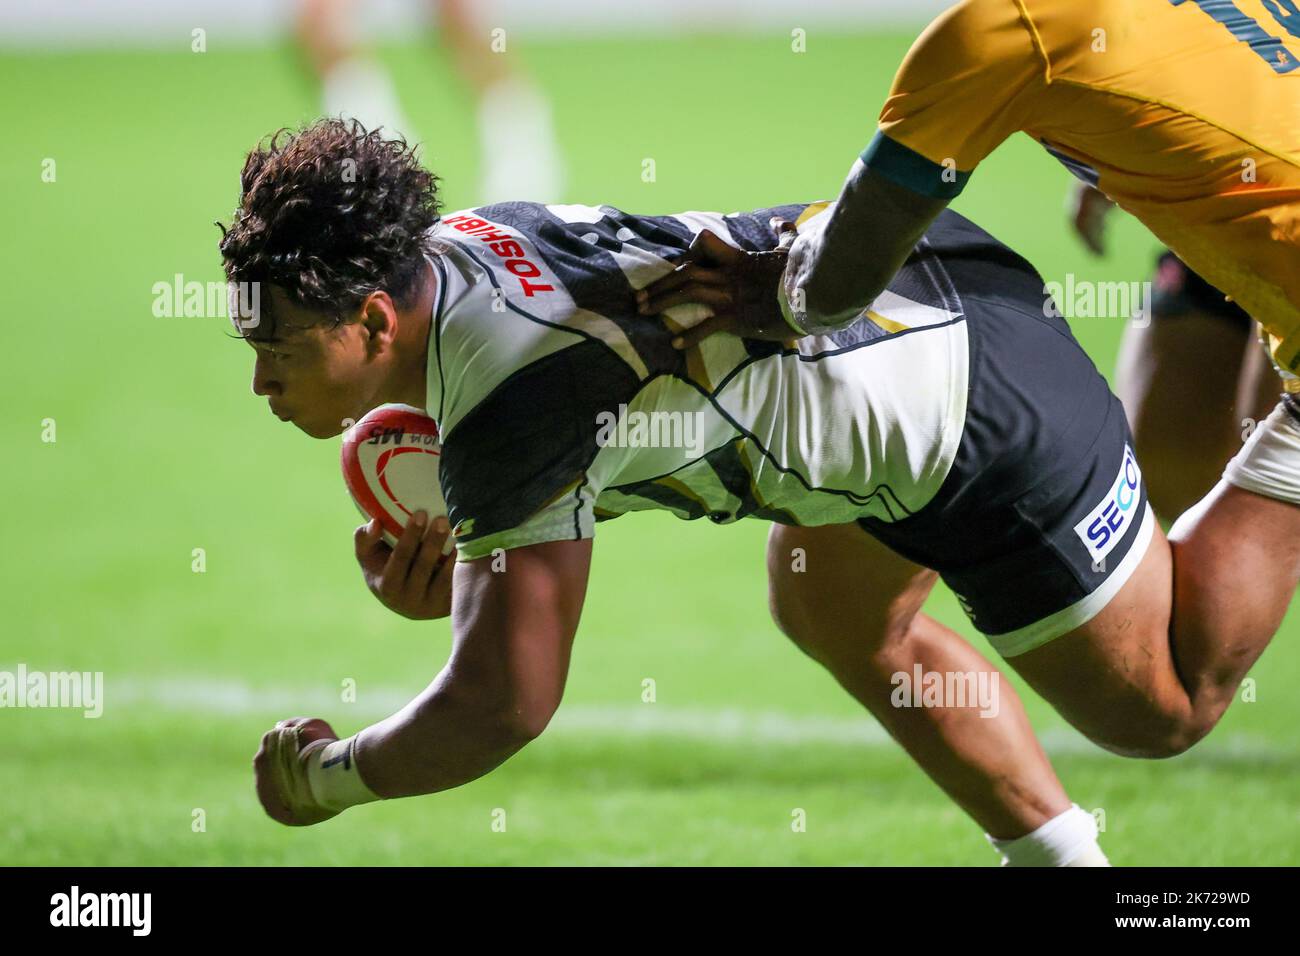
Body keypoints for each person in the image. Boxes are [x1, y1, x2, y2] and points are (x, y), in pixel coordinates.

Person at [223, 120, 1110, 865]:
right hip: (908, 282)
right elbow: (599, 419)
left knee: (1165, 703)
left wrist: (322, 779)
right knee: (823, 598)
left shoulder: (504, 399)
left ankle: (1261, 445)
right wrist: (478, 568)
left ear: (374, 319)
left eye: (281, 353)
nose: (262, 384)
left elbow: (503, 702)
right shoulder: (457, 248)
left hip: (973, 399)